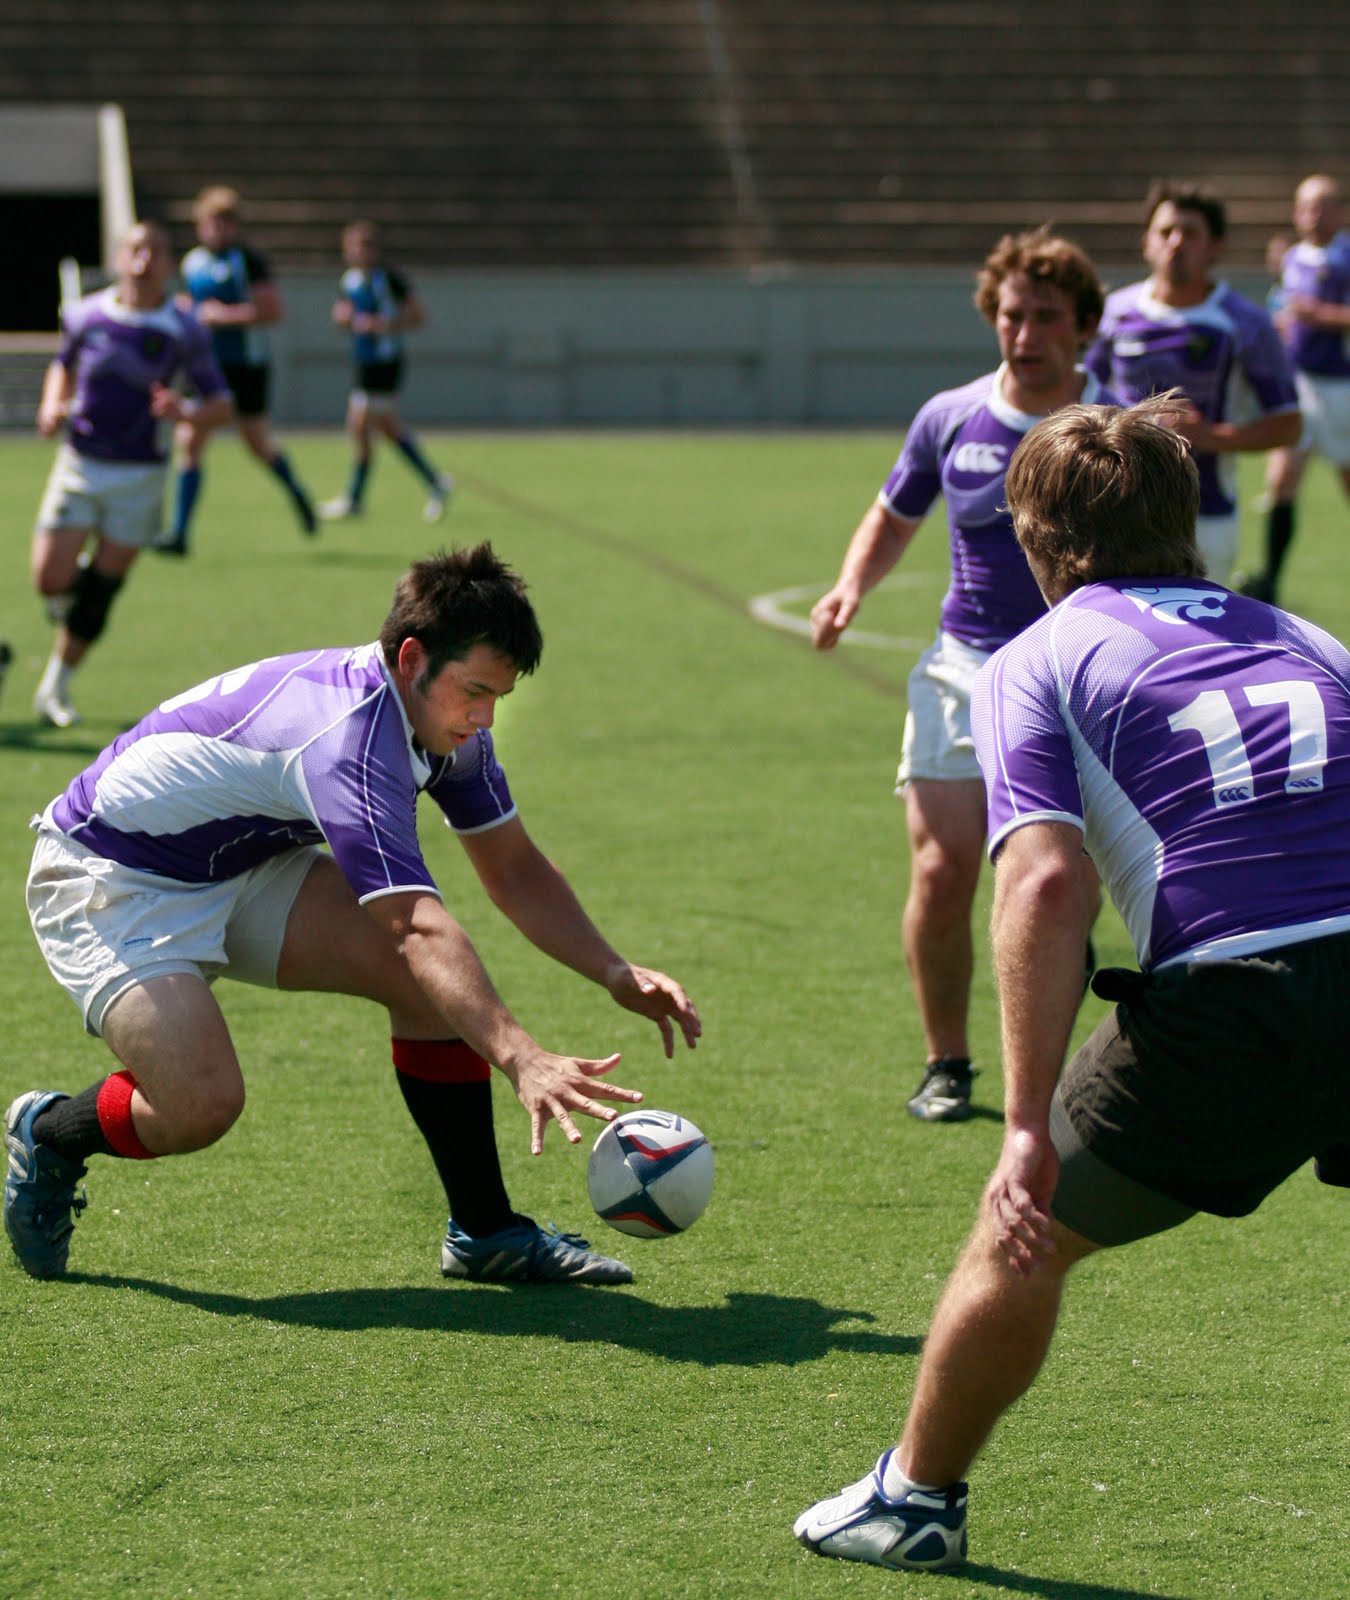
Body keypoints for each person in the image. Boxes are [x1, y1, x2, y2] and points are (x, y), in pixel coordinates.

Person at [794, 395, 1350, 1573]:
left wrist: (1023, 1123)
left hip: (1239, 997)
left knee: (1022, 1235)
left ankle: (917, 1498)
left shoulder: (1035, 659)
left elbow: (1046, 887)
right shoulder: (1306, 635)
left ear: (1036, 536)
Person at [4, 543, 700, 1286]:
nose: (486, 716)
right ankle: (50, 1133)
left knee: (426, 985)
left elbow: (516, 867)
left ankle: (485, 1232)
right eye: (474, 691)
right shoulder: (349, 744)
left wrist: (612, 970)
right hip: (109, 878)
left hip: (238, 864)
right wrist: (522, 1058)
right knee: (201, 1105)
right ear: (411, 658)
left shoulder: (444, 726)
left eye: (499, 696)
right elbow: (415, 925)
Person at [810, 227, 1112, 1123]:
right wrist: (848, 586)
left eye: (1047, 318)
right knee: (942, 874)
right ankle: (947, 1062)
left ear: (1083, 326)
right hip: (962, 669)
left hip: (1079, 678)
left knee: (1066, 885)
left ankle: (1061, 1064)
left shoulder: (1115, 424)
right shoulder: (951, 417)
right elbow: (894, 514)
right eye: (1012, 315)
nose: (1026, 334)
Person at [29, 220, 233, 728]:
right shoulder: (86, 315)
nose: (144, 260)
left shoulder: (185, 329)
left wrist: (183, 410)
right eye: (135, 250)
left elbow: (221, 404)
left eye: (156, 252)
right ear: (120, 258)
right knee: (49, 578)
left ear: (168, 264)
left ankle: (56, 685)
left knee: (102, 591)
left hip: (141, 475)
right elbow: (63, 364)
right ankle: (71, 600)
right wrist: (53, 404)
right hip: (80, 462)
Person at [1084, 179, 1301, 584]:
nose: (1176, 242)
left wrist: (1210, 435)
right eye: (1166, 232)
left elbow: (1289, 423)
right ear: (1147, 242)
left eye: (1191, 233)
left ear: (1215, 246)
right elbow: (1080, 401)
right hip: (1116, 508)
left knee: (1201, 639)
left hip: (1207, 513)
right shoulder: (1113, 315)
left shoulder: (1245, 323)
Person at [159, 186, 318, 556]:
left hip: (246, 366)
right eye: (207, 222)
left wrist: (225, 316)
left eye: (221, 223)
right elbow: (189, 304)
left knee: (257, 445)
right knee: (190, 441)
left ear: (233, 226)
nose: (214, 229)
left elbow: (272, 311)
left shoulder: (249, 262)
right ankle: (179, 535)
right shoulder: (193, 262)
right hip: (205, 368)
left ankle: (297, 493)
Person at [1237, 174, 1350, 604]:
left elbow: (1320, 314)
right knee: (1282, 479)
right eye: (1306, 205)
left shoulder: (1346, 257)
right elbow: (1286, 312)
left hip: (1339, 388)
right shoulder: (1294, 258)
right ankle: (1270, 579)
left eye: (1323, 205)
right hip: (1298, 383)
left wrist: (1322, 315)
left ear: (1340, 211)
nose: (1313, 214)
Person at [319, 220, 453, 524]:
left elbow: (418, 317)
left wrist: (385, 324)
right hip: (363, 361)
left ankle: (354, 497)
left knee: (360, 424)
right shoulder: (349, 281)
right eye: (352, 248)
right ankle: (434, 482)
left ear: (374, 250)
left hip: (386, 362)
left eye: (363, 247)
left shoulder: (391, 280)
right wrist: (344, 320)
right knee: (386, 429)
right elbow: (343, 317)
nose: (357, 254)